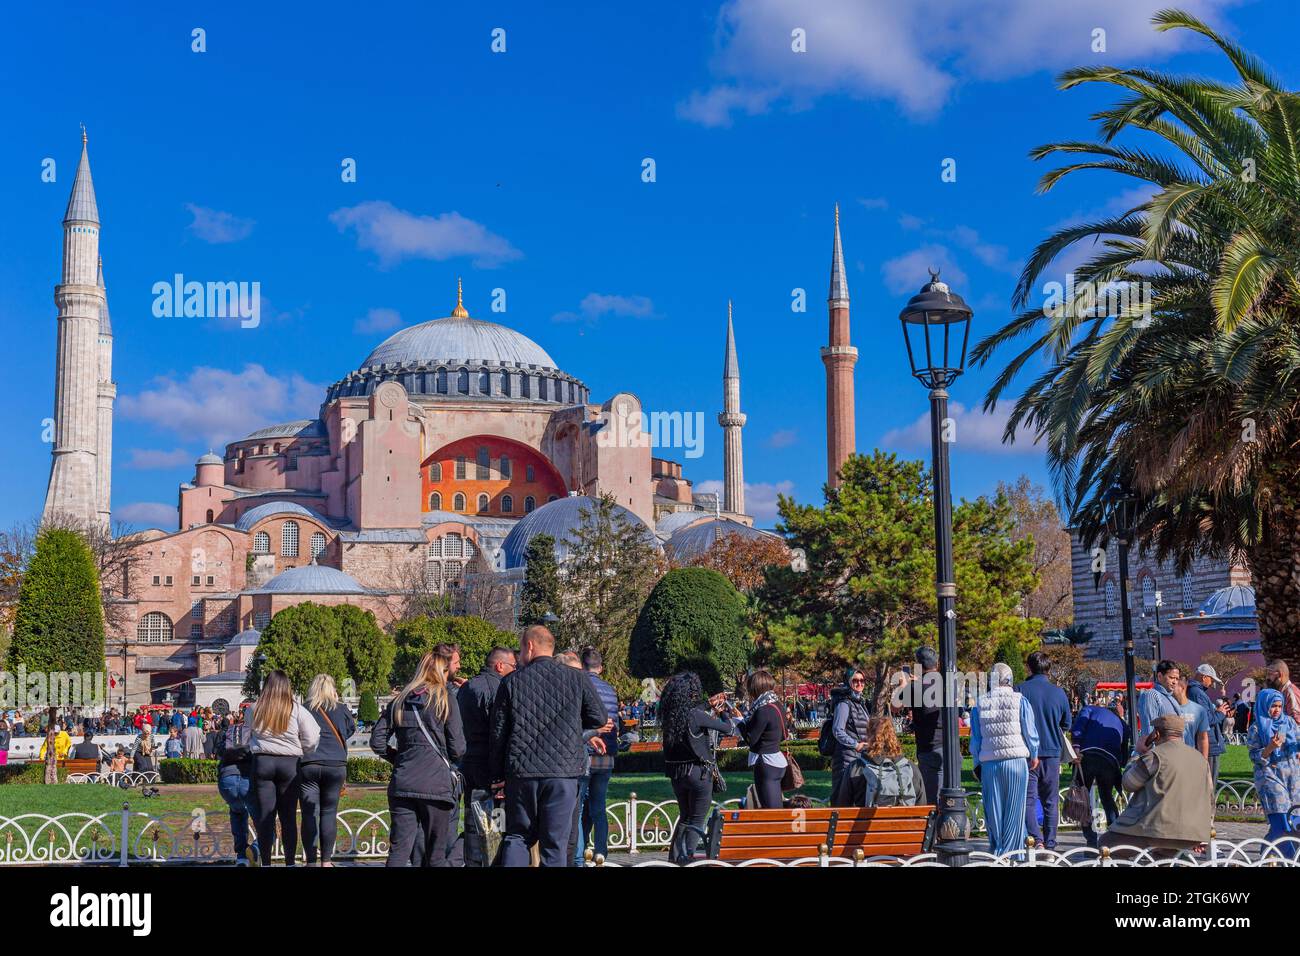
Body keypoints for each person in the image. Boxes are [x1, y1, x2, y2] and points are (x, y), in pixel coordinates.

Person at [489, 625, 608, 867]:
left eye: (521, 649)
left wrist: (496, 774)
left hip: (523, 772)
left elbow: (498, 732)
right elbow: (599, 717)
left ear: (529, 646)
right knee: (555, 844)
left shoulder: (512, 681)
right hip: (563, 773)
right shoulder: (577, 678)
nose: (520, 656)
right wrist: (572, 721)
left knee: (517, 836)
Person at [372, 648, 466, 867]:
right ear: (441, 671)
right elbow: (458, 748)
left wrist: (399, 759)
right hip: (437, 785)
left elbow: (377, 741)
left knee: (398, 850)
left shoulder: (401, 699)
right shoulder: (445, 698)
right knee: (436, 854)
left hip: (403, 782)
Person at [1100, 714, 1213, 858]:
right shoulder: (1200, 759)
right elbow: (1210, 796)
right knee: (1163, 853)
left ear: (1157, 734)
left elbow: (1128, 784)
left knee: (1106, 844)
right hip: (1194, 832)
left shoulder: (1154, 756)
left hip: (1158, 830)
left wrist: (1137, 753)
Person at [660, 671, 735, 864]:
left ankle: (675, 858)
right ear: (693, 693)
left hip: (678, 774)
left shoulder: (671, 717)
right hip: (699, 773)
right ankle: (687, 858)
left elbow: (691, 715)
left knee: (685, 815)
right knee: (697, 819)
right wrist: (723, 713)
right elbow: (728, 728)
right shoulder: (695, 716)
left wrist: (708, 705)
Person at [248, 670, 320, 866]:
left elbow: (246, 736)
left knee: (265, 816)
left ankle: (266, 863)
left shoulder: (255, 708)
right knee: (288, 816)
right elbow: (313, 737)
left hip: (263, 762)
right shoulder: (296, 709)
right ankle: (289, 862)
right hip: (289, 763)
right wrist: (303, 750)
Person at [970, 662, 1039, 857]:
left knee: (994, 810)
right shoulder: (1020, 700)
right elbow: (1030, 732)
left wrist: (977, 763)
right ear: (1010, 679)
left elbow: (976, 741)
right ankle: (1014, 852)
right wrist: (1033, 754)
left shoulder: (980, 703)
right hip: (1016, 760)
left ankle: (997, 849)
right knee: (1015, 811)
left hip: (990, 762)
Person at [456, 646, 516, 867]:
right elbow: (499, 730)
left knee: (473, 818)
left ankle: (472, 859)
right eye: (513, 666)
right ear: (500, 665)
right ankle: (494, 859)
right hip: (490, 765)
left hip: (467, 760)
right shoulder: (499, 688)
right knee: (495, 818)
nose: (515, 670)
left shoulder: (467, 687)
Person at [1017, 651, 1072, 850]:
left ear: (1029, 667)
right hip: (1052, 752)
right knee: (1050, 801)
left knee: (1028, 800)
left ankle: (1036, 839)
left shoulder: (1021, 689)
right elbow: (1066, 723)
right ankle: (1050, 843)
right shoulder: (1058, 692)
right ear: (1049, 669)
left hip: (1028, 755)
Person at [300, 674, 355, 867]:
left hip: (309, 764)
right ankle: (326, 861)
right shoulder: (341, 708)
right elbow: (349, 730)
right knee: (329, 813)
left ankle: (310, 862)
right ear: (333, 689)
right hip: (335, 764)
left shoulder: (304, 708)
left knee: (309, 813)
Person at [577, 646, 619, 863]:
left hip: (586, 752)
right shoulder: (610, 690)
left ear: (582, 666)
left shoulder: (580, 685)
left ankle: (581, 849)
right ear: (600, 668)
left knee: (581, 805)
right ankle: (601, 849)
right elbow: (616, 725)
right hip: (607, 756)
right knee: (598, 806)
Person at [1246, 688, 1300, 857]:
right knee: (1281, 817)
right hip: (1269, 776)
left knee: (1295, 818)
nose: (1276, 710)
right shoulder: (1256, 728)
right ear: (1264, 706)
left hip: (1292, 776)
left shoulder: (1289, 723)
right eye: (1272, 706)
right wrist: (1270, 747)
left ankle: (1269, 854)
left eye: (1279, 706)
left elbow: (1297, 741)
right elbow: (1254, 756)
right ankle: (1291, 859)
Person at [1070, 697, 1128, 848]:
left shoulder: (1089, 709)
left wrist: (1075, 746)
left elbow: (1079, 725)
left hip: (1086, 756)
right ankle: (1114, 839)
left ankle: (1090, 840)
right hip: (1110, 760)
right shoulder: (1122, 723)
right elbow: (1124, 752)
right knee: (1107, 798)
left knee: (1082, 800)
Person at [732, 669, 788, 809]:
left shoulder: (762, 710)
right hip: (777, 760)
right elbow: (783, 735)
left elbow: (751, 740)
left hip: (766, 763)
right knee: (776, 807)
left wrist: (739, 721)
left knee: (770, 811)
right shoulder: (778, 705)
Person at [843, 717, 924, 807]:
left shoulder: (856, 768)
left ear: (869, 736)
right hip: (905, 820)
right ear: (893, 735)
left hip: (867, 820)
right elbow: (922, 805)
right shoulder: (910, 768)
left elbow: (841, 806)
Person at [214, 704, 259, 866]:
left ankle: (241, 856)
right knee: (262, 819)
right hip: (248, 780)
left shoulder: (230, 732)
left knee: (238, 813)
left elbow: (218, 751)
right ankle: (255, 849)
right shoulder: (256, 733)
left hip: (227, 781)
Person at [827, 667, 871, 807]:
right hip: (845, 758)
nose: (860, 684)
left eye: (862, 680)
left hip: (859, 757)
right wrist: (855, 744)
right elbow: (838, 730)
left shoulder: (860, 702)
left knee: (857, 797)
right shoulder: (844, 703)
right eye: (855, 681)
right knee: (842, 797)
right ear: (848, 682)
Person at [909, 646, 944, 805]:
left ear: (919, 665)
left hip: (928, 748)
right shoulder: (948, 683)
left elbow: (895, 706)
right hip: (950, 747)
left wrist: (905, 684)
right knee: (947, 796)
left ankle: (935, 829)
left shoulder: (916, 686)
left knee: (930, 800)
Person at [1187, 663, 1227, 786]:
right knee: (1209, 784)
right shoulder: (1197, 693)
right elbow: (1206, 719)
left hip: (1208, 742)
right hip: (1208, 744)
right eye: (1211, 679)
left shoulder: (1196, 692)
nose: (1211, 684)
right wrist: (1221, 713)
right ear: (1204, 677)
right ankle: (1208, 805)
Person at [1266, 660, 1300, 724]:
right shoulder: (1281, 692)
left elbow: (1296, 722)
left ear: (1280, 675)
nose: (1267, 677)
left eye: (1270, 674)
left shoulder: (1290, 692)